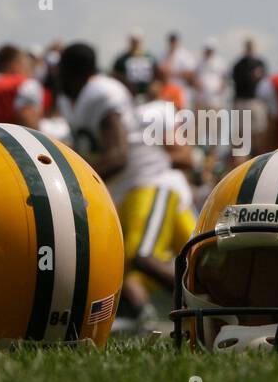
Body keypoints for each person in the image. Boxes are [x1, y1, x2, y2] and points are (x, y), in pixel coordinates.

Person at [58, 43, 195, 330]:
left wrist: (73, 183)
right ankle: (150, 313)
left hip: (149, 183)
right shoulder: (87, 97)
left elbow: (119, 155)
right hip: (134, 190)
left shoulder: (99, 93)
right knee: (194, 263)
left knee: (139, 256)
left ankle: (204, 307)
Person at [111, 30, 157, 97]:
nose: (135, 43)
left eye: (137, 41)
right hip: (128, 94)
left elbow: (156, 75)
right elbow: (115, 75)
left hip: (147, 95)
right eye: (133, 41)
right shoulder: (122, 59)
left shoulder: (150, 58)